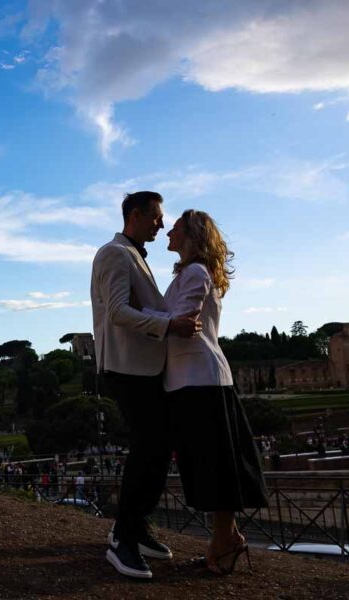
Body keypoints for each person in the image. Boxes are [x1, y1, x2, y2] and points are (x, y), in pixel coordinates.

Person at [90, 191, 201, 580]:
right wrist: (170, 324)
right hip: (126, 366)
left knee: (156, 445)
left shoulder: (130, 254)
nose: (161, 222)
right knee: (150, 445)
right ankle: (123, 537)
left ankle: (134, 528)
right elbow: (118, 311)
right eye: (156, 216)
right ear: (135, 215)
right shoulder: (114, 253)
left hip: (141, 366)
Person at [163, 209, 268, 576]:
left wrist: (134, 318)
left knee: (214, 466)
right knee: (209, 464)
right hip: (193, 379)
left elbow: (183, 323)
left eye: (174, 228)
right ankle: (229, 539)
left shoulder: (194, 272)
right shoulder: (188, 273)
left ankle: (224, 542)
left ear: (191, 234)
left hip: (201, 380)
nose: (167, 233)